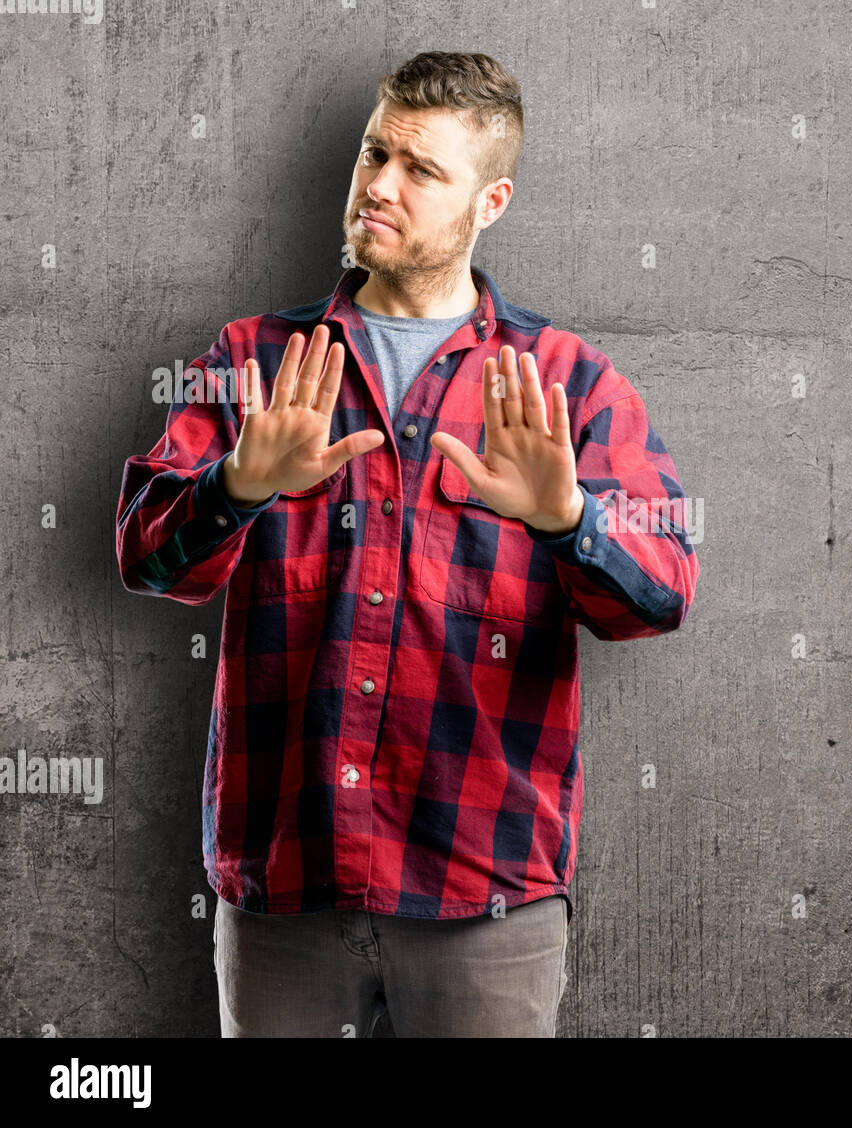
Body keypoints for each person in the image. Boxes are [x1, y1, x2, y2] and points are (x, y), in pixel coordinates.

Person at [115, 50, 699, 1037]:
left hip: (485, 898)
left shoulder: (568, 384)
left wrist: (568, 520)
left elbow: (662, 594)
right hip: (285, 888)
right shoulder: (253, 363)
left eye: (422, 169)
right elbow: (145, 557)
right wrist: (237, 486)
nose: (380, 185)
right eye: (374, 153)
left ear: (490, 200)